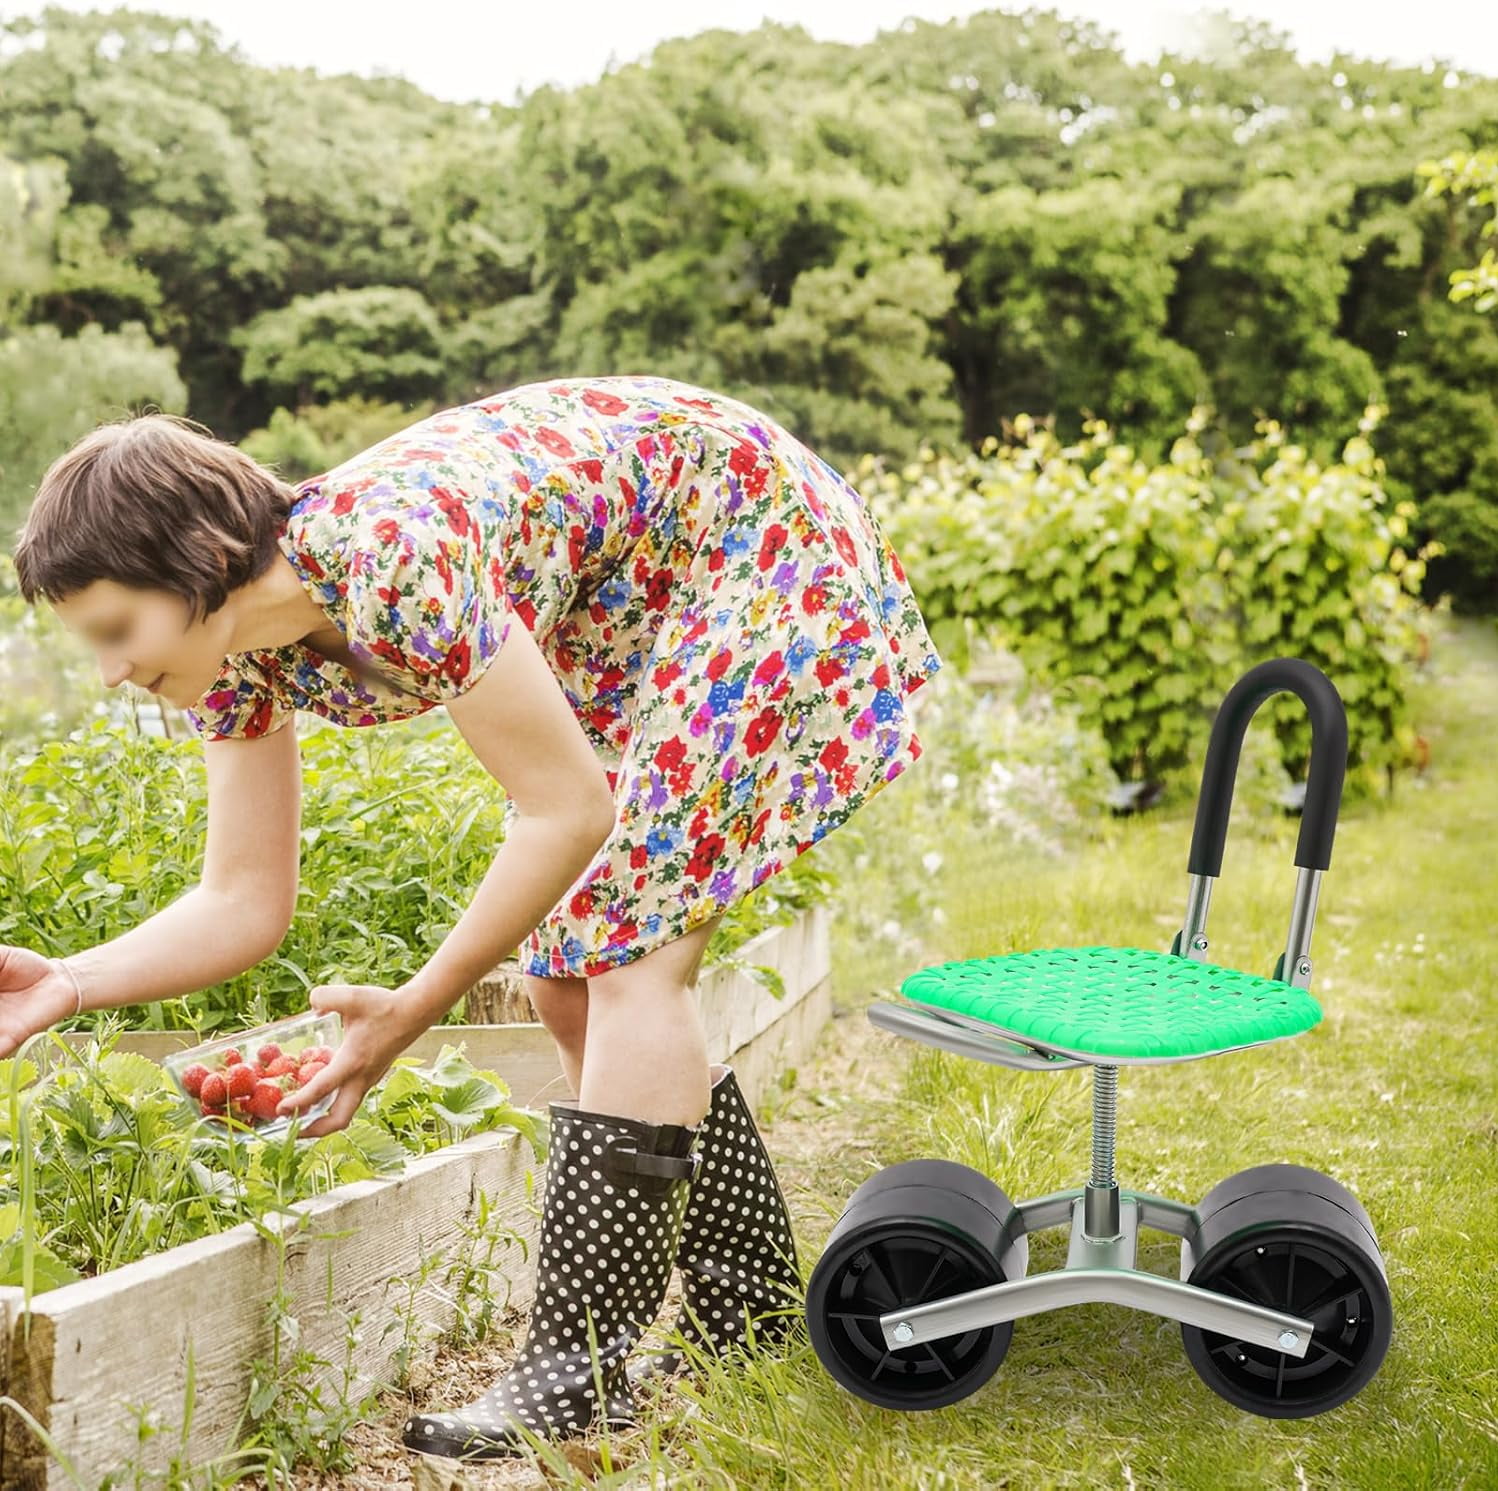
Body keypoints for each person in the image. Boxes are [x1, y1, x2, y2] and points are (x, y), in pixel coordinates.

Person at [1, 373, 944, 1462]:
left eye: (119, 627)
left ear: (200, 560)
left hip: (757, 548)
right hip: (639, 600)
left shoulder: (388, 552)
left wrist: (415, 1004)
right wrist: (69, 981)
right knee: (563, 978)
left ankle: (574, 1377)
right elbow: (241, 901)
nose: (114, 669)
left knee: (630, 960)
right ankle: (756, 1317)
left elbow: (569, 808)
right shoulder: (231, 662)